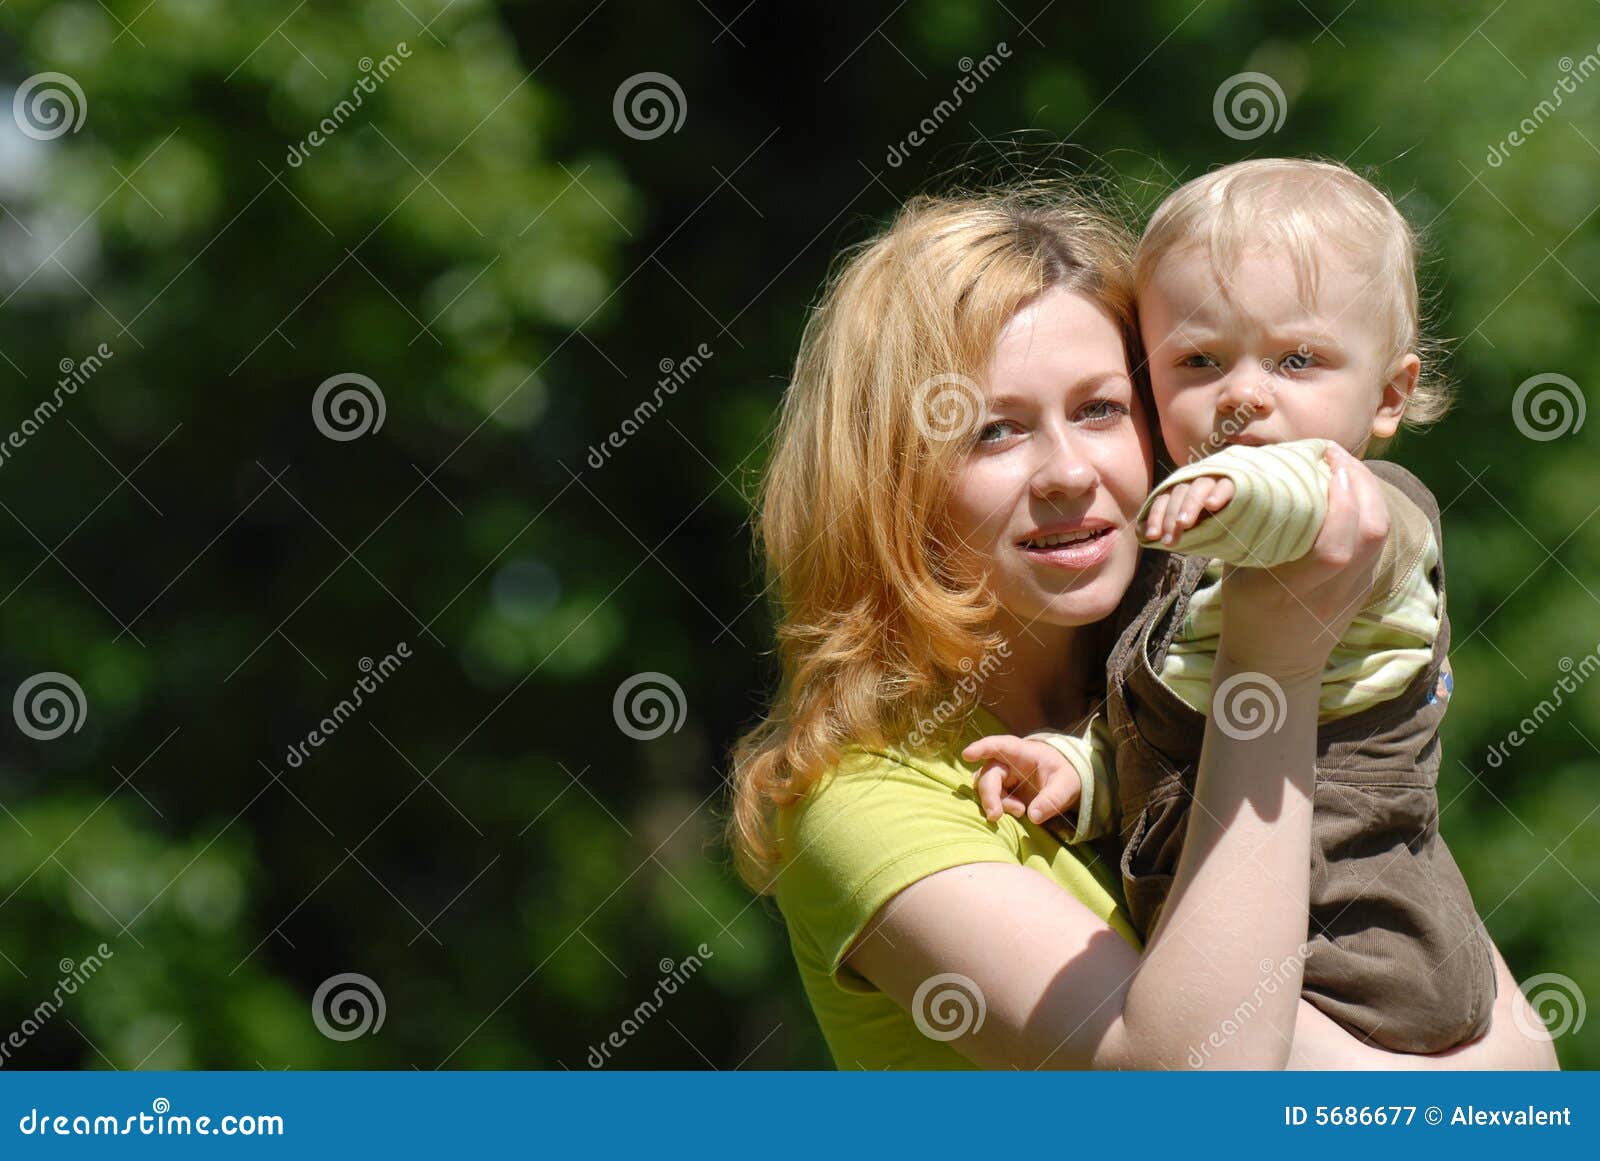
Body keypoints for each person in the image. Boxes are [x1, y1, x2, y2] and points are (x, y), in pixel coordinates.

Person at [726, 185, 1556, 1069]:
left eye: (1099, 410)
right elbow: (1203, 1091)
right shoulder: (867, 807)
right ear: (889, 484)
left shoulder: (1182, 662)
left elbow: (1521, 1065)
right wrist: (1268, 674)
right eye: (996, 431)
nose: (1067, 473)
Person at [973, 159, 1499, 1055]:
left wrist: (1224, 483)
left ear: (1389, 395)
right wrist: (1083, 770)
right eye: (1199, 361)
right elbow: (1172, 719)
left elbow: (1296, 505)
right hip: (1244, 944)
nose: (1247, 391)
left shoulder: (1376, 512)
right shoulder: (1182, 562)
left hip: (1360, 940)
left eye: (1297, 359)